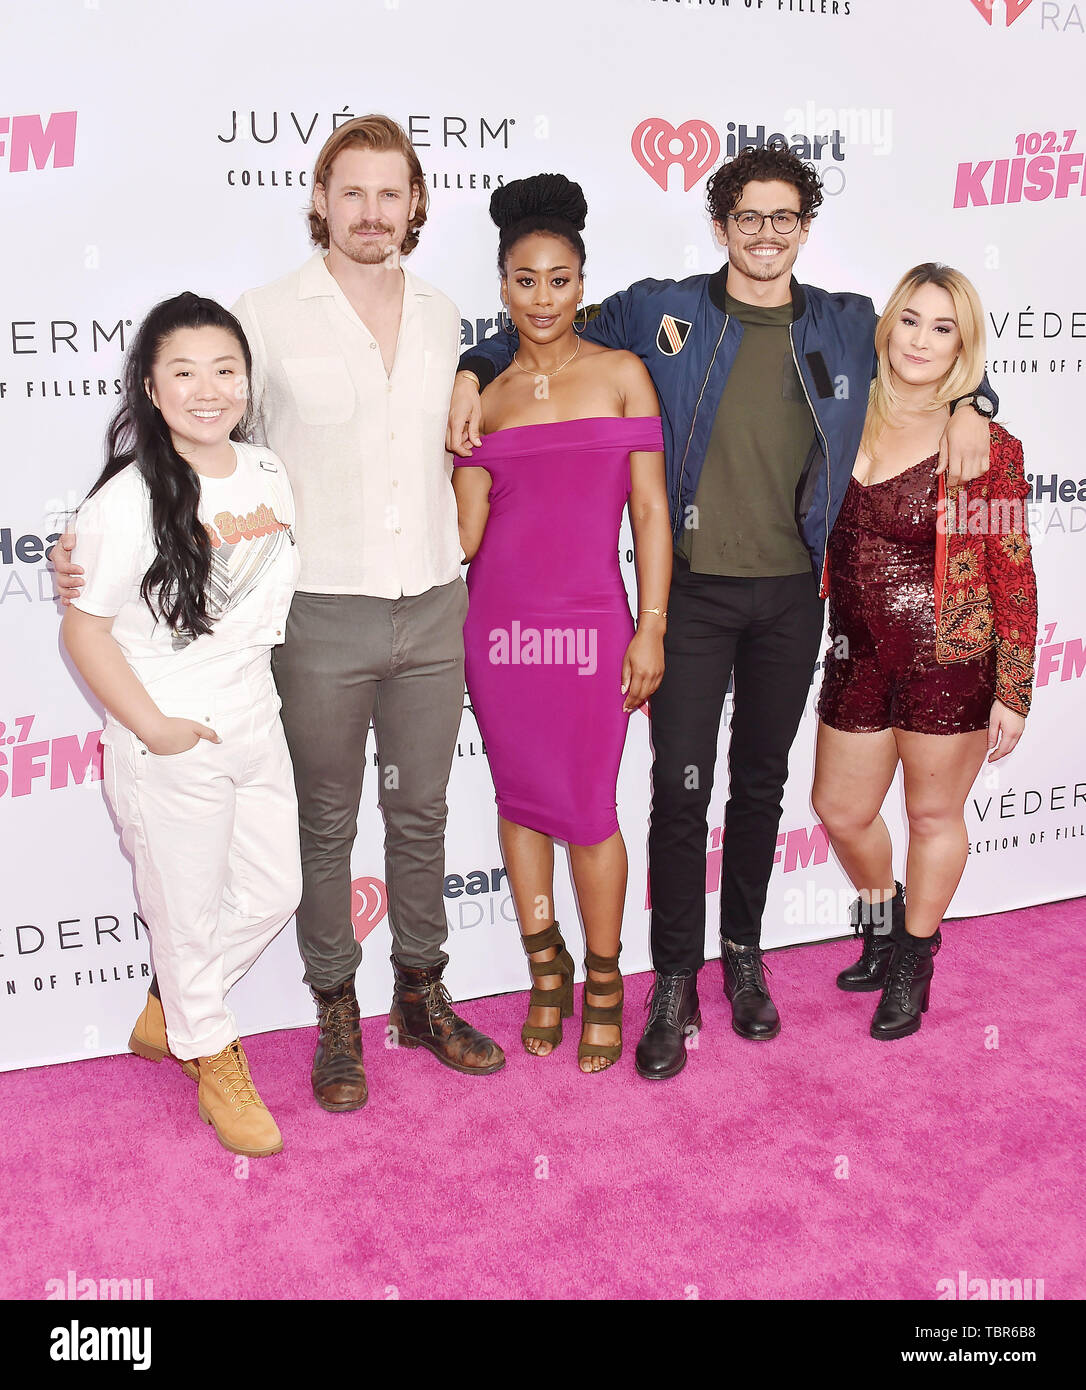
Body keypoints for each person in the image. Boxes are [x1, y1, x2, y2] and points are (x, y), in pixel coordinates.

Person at [449, 142, 998, 1081]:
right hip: (693, 595)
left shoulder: (844, 321)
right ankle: (671, 978)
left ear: (805, 229)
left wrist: (975, 401)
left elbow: (933, 353)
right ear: (722, 225)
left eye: (784, 218)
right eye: (749, 217)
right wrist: (472, 363)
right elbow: (548, 324)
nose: (766, 234)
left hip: (792, 595)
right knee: (678, 791)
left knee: (759, 787)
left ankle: (741, 958)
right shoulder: (662, 309)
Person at [53, 115, 504, 1111]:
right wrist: (95, 523)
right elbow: (194, 425)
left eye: (392, 193)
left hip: (433, 599)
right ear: (321, 200)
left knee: (422, 810)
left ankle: (422, 993)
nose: (373, 212)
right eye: (354, 192)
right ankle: (335, 1011)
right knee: (324, 827)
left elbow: (496, 369)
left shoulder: (441, 314)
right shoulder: (265, 314)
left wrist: (475, 372)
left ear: (417, 203)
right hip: (316, 614)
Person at [61, 293, 301, 1157]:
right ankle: (213, 1054)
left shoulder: (268, 471)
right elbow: (83, 630)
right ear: (152, 391)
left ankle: (173, 1010)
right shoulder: (127, 501)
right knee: (189, 915)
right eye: (185, 373)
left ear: (247, 379)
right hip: (168, 730)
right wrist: (155, 728)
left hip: (255, 716)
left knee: (277, 889)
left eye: (226, 369)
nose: (210, 390)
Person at [452, 174, 671, 1072]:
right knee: (522, 805)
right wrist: (447, 435)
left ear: (584, 282)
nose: (542, 298)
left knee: (587, 810)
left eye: (560, 279)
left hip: (592, 631)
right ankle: (548, 972)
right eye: (524, 279)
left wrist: (649, 626)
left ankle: (608, 980)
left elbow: (652, 514)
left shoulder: (623, 377)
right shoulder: (485, 396)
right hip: (499, 633)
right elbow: (466, 535)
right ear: (500, 286)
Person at [812, 263, 1036, 1039]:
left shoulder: (984, 446)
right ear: (887, 326)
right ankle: (884, 919)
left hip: (951, 661)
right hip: (855, 652)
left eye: (943, 328)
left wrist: (1016, 689)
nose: (921, 340)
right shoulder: (837, 412)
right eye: (910, 320)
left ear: (964, 345)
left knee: (933, 815)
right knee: (841, 811)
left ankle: (913, 955)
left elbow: (1014, 569)